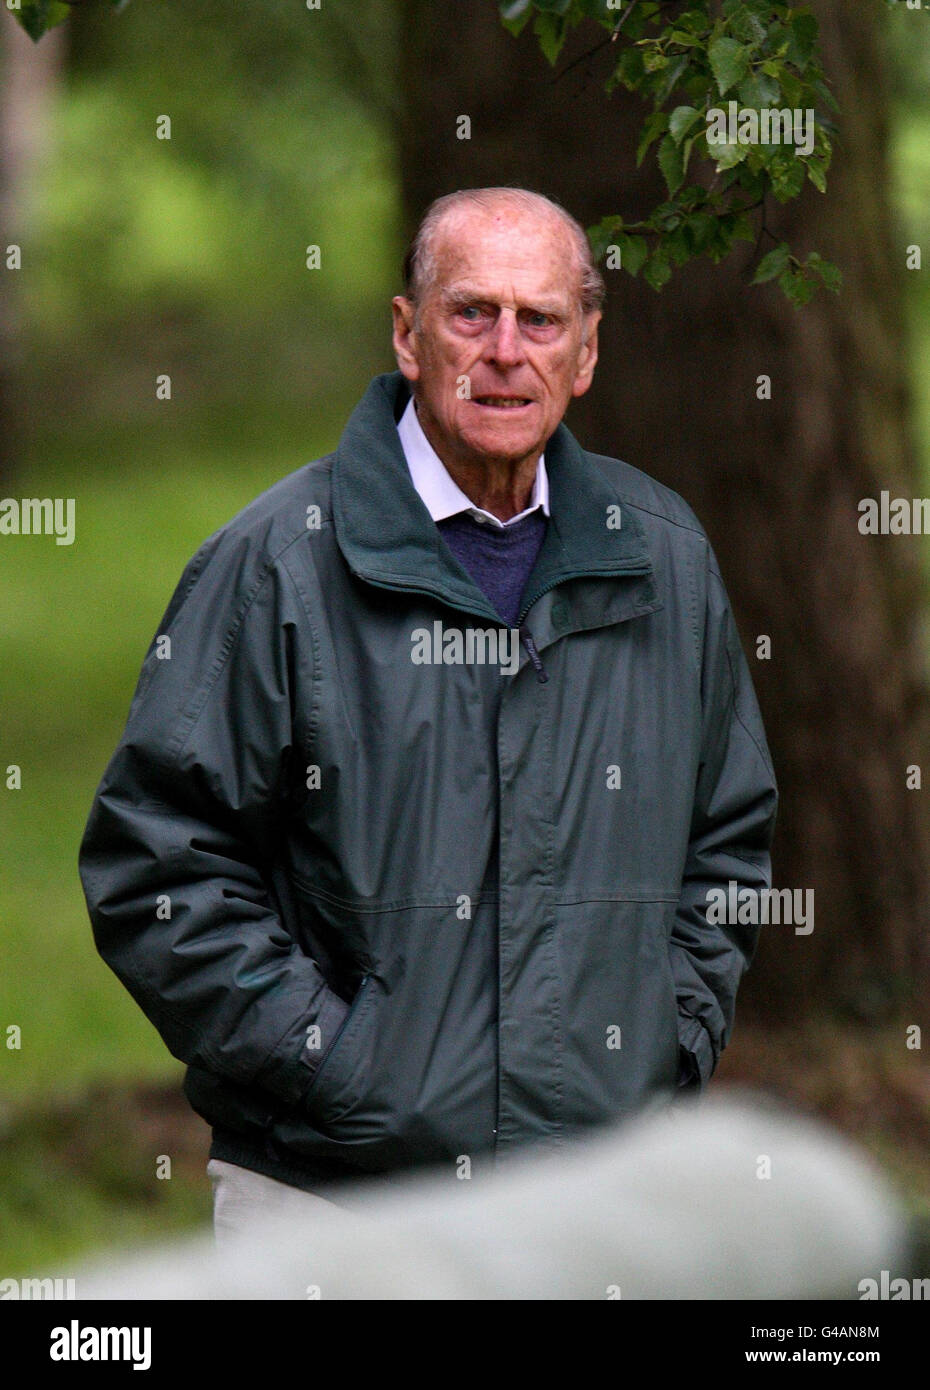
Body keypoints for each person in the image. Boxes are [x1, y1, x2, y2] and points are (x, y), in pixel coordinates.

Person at [78, 186, 778, 1240]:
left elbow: (726, 842)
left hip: (598, 1204)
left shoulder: (664, 557)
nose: (506, 350)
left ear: (584, 354)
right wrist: (337, 1062)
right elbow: (156, 867)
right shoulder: (276, 563)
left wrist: (664, 1046)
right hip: (330, 1206)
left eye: (539, 319)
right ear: (408, 334)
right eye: (470, 313)